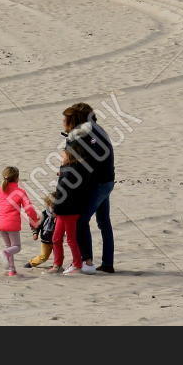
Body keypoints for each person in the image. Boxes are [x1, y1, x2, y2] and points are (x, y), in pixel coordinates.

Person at [64, 102, 116, 273]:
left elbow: (87, 163)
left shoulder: (84, 133)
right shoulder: (97, 129)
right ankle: (107, 264)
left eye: (67, 118)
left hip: (99, 183)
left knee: (81, 220)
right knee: (104, 222)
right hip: (107, 181)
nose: (64, 121)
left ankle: (87, 262)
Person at [0, 166, 39, 277]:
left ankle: (11, 270)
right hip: (12, 225)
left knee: (8, 246)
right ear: (17, 178)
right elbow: (29, 208)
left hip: (0, 224)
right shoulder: (20, 192)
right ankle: (5, 255)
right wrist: (34, 219)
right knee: (16, 247)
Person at [48, 150, 89, 275]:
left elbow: (64, 193)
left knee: (71, 239)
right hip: (64, 210)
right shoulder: (67, 170)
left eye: (63, 155)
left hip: (69, 210)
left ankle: (77, 264)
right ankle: (57, 264)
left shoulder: (71, 172)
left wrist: (55, 209)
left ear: (70, 157)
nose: (61, 157)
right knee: (56, 238)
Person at [26, 194, 56, 268]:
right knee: (44, 256)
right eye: (52, 206)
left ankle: (56, 266)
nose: (54, 208)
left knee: (58, 255)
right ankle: (31, 263)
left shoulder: (60, 215)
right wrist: (35, 233)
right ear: (48, 205)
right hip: (45, 240)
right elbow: (36, 225)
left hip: (57, 240)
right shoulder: (43, 214)